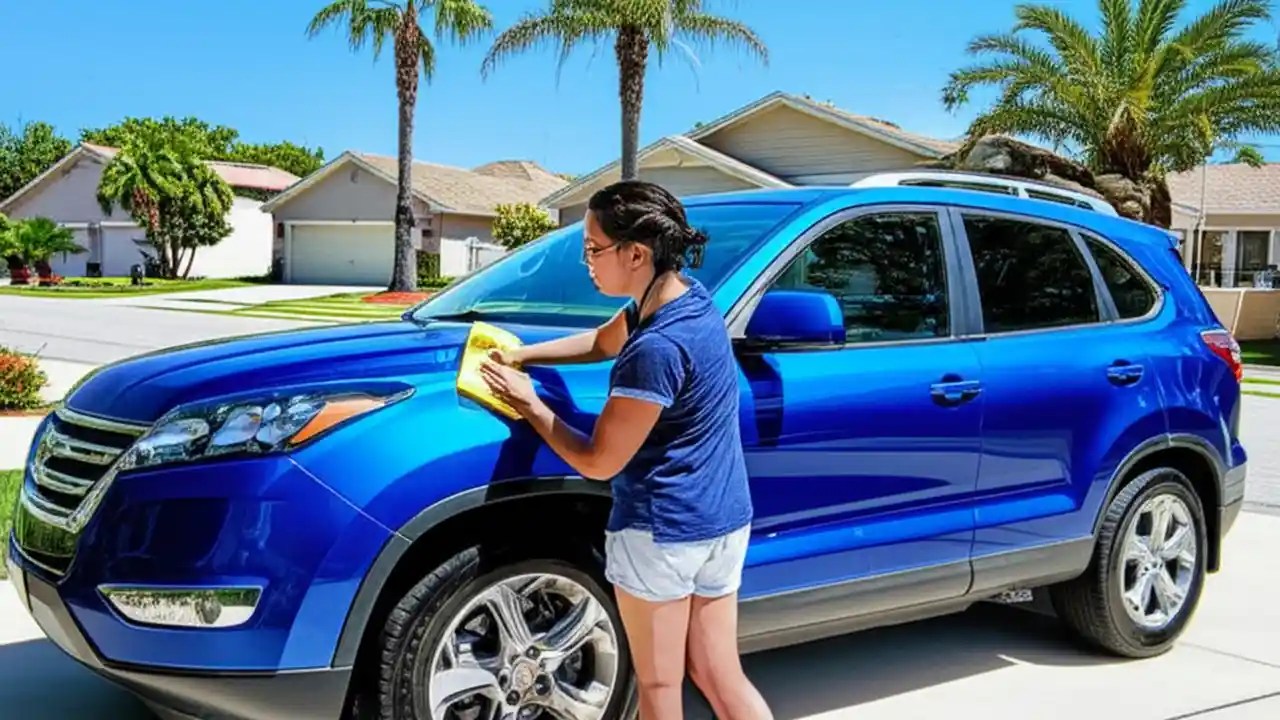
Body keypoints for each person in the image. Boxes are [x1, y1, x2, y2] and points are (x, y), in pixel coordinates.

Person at [479, 180, 772, 720]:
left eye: (593, 248)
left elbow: (599, 462)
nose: (585, 260)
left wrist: (529, 405)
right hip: (723, 522)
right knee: (718, 674)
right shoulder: (685, 301)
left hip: (662, 534)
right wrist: (523, 355)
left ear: (636, 253)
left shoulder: (656, 348)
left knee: (659, 690)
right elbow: (601, 340)